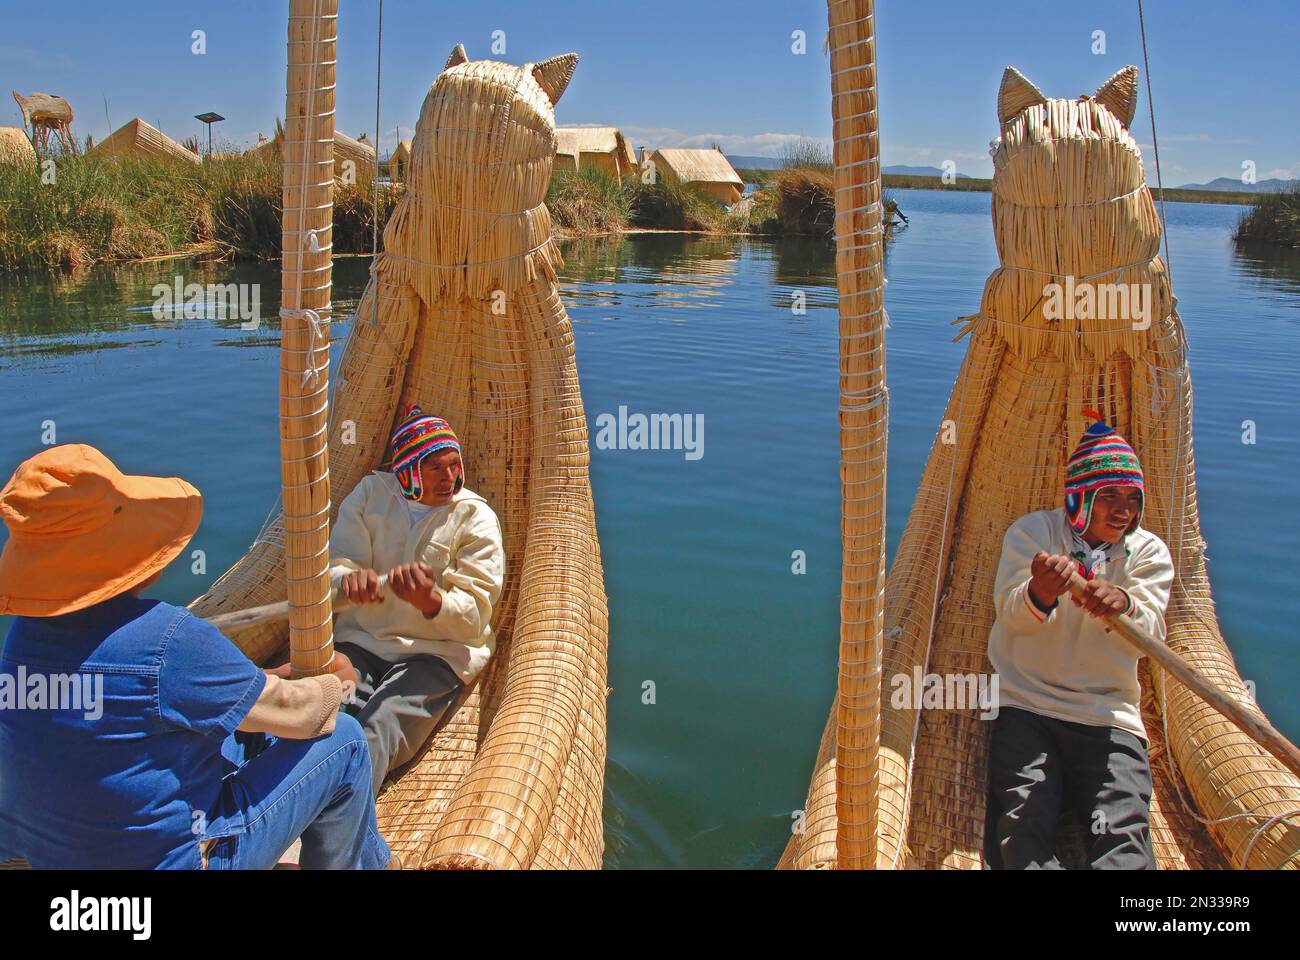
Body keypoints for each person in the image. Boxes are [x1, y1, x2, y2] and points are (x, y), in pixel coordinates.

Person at [0, 444, 392, 870]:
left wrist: (272, 675)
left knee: (235, 730)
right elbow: (305, 715)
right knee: (346, 740)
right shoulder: (167, 637)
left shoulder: (21, 639)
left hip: (55, 857)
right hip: (183, 861)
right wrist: (335, 680)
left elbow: (144, 695)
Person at [984, 411, 1174, 869]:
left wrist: (1124, 605)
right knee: (1020, 832)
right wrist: (1041, 591)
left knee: (1124, 833)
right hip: (1028, 705)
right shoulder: (1034, 533)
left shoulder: (1147, 553)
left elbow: (1148, 638)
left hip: (1108, 714)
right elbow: (1012, 618)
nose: (1124, 509)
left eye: (1132, 498)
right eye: (1108, 496)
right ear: (1078, 496)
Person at [331, 405, 505, 797]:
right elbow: (334, 570)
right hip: (363, 640)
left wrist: (431, 602)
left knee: (379, 729)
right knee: (327, 714)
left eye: (454, 465)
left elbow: (476, 616)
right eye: (436, 469)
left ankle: (333, 828)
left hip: (436, 653)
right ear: (406, 470)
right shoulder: (369, 495)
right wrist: (348, 583)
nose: (451, 478)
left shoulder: (475, 518)